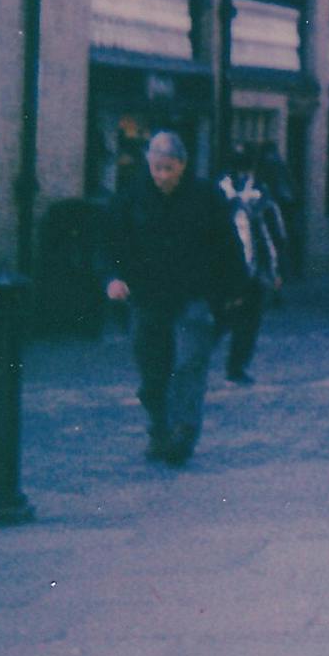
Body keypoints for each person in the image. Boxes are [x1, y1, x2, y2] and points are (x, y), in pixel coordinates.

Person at [102, 129, 247, 467]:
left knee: (189, 363)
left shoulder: (206, 197)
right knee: (152, 369)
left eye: (168, 168)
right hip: (147, 296)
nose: (162, 176)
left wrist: (234, 292)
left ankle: (183, 431)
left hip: (193, 295)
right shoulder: (131, 198)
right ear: (148, 166)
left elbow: (227, 245)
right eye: (156, 168)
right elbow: (111, 243)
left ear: (182, 165)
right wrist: (113, 277)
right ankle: (158, 429)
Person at [217, 146, 288, 384]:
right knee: (220, 319)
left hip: (254, 268)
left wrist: (273, 268)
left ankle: (237, 367)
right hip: (227, 267)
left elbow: (272, 233)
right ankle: (201, 362)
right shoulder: (219, 192)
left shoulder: (260, 193)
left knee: (248, 322)